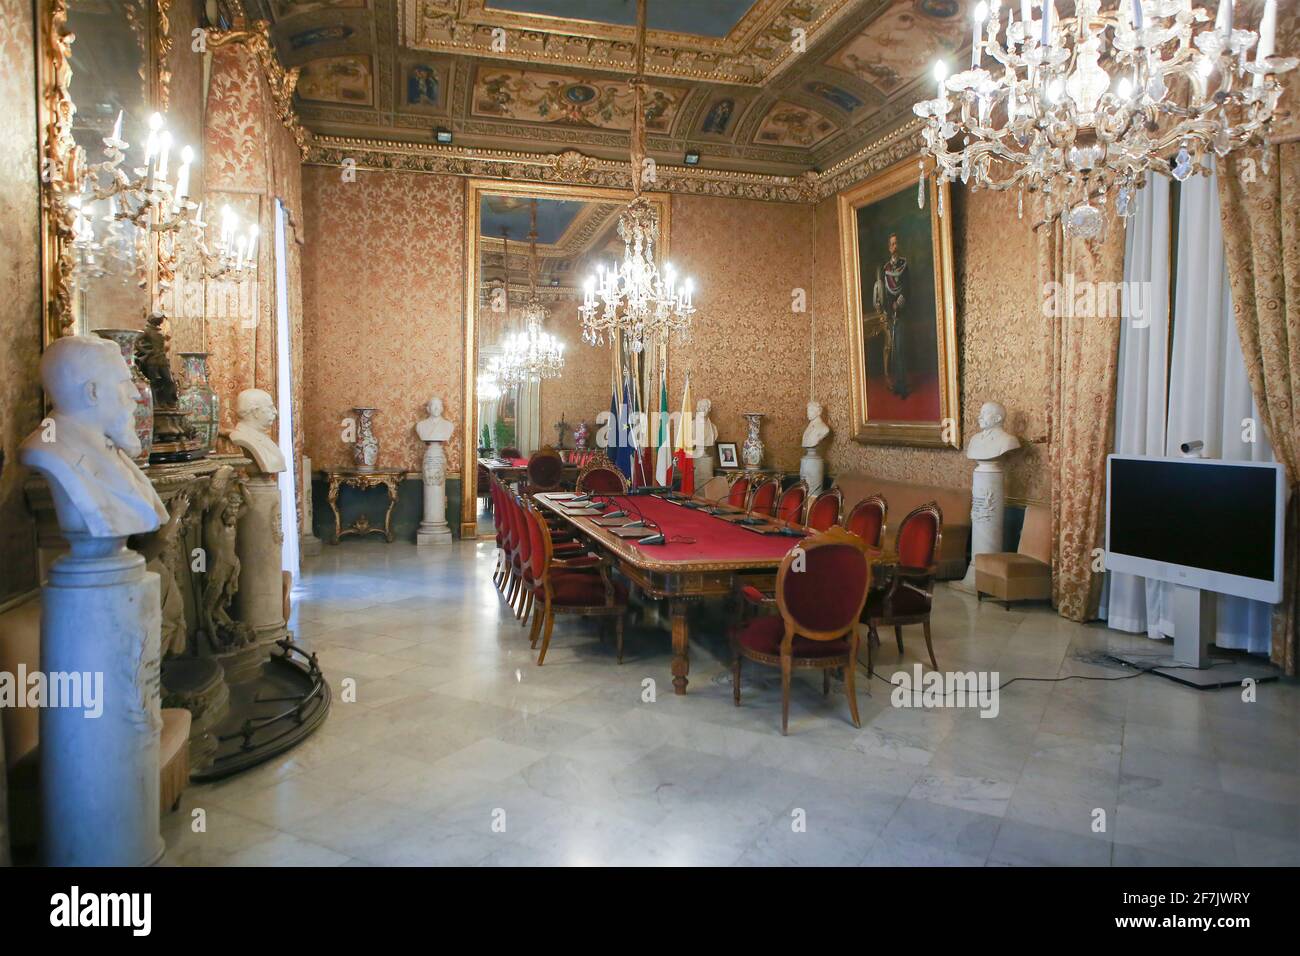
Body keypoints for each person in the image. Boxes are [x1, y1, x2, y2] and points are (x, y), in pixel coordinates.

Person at [20, 335, 167, 538]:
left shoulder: (109, 447)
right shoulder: (48, 449)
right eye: (124, 382)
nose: (136, 393)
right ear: (93, 392)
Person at [873, 232, 911, 398]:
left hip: (902, 312)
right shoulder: (886, 269)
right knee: (894, 349)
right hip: (891, 313)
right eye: (892, 244)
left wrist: (899, 304)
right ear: (889, 248)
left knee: (901, 349)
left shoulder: (904, 264)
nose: (894, 247)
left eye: (896, 243)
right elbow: (886, 293)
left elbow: (908, 288)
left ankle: (903, 386)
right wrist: (889, 307)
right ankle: (897, 384)